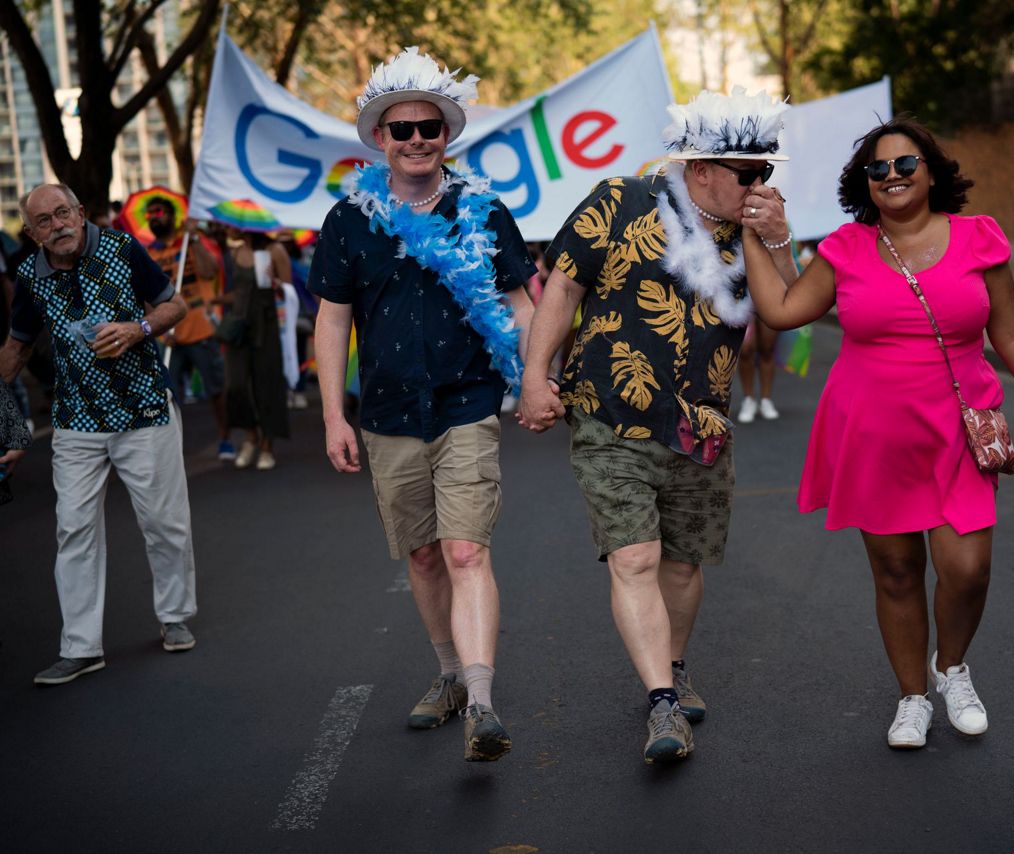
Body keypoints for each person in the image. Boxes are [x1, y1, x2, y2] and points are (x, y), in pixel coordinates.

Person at [740, 116, 1014, 750]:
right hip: (872, 430)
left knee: (967, 567)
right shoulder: (846, 247)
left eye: (903, 164)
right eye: (877, 168)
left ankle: (952, 668)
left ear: (931, 172)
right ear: (864, 184)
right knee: (895, 572)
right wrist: (756, 238)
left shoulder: (979, 238)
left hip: (956, 425)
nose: (890, 176)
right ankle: (912, 698)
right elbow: (782, 311)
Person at [519, 87, 798, 764]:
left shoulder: (753, 232)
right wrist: (535, 375)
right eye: (748, 172)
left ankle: (673, 666)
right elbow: (562, 286)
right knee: (636, 556)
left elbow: (787, 308)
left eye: (767, 171)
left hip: (701, 426)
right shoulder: (620, 199)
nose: (760, 183)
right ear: (700, 169)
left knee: (680, 563)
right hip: (610, 413)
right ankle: (662, 704)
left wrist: (778, 238)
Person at [309, 48, 536, 762]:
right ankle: (448, 676)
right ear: (380, 137)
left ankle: (483, 703)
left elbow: (522, 300)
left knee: (467, 549)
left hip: (467, 402)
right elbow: (332, 320)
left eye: (428, 128)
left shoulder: (482, 210)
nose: (415, 140)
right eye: (401, 128)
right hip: (384, 411)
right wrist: (331, 415)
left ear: (446, 135)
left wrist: (532, 378)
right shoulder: (349, 219)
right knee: (425, 555)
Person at [0, 183, 198, 685]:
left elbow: (175, 306)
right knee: (73, 529)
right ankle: (81, 646)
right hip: (75, 423)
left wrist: (138, 329)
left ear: (80, 212)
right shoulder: (29, 274)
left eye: (62, 213)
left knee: (163, 523)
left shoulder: (121, 247)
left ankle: (174, 616)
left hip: (144, 412)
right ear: (31, 232)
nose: (57, 225)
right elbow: (15, 349)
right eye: (43, 221)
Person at [143, 196, 233, 460]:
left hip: (202, 331)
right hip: (170, 336)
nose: (153, 217)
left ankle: (226, 439)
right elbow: (147, 297)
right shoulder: (149, 253)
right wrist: (157, 328)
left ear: (173, 216)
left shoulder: (191, 242)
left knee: (216, 390)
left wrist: (193, 239)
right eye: (149, 214)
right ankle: (172, 448)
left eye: (158, 212)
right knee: (168, 396)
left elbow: (209, 272)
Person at [223, 227, 291, 471]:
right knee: (235, 385)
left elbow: (289, 292)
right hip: (240, 326)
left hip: (267, 325)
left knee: (267, 386)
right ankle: (251, 436)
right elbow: (235, 292)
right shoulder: (235, 252)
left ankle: (267, 446)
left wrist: (275, 282)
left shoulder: (275, 250)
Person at [736, 315, 781, 422]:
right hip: (744, 300)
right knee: (745, 350)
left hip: (770, 300)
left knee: (768, 348)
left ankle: (766, 399)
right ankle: (748, 399)